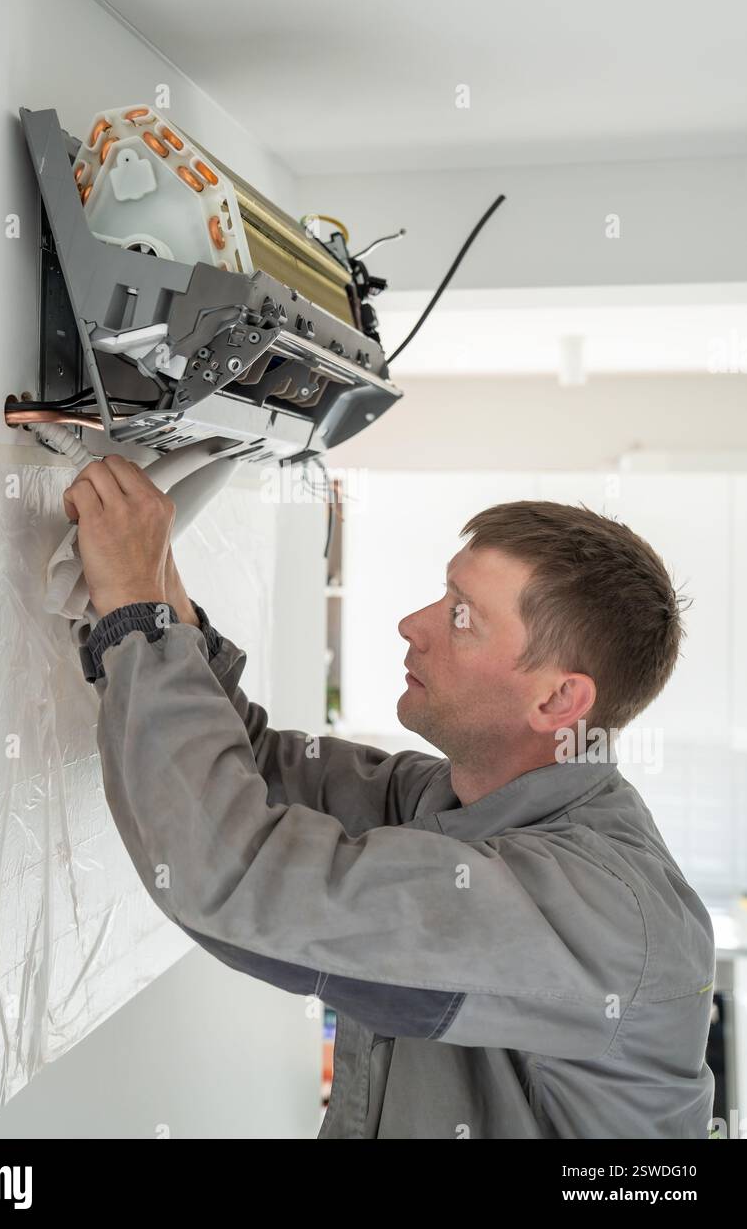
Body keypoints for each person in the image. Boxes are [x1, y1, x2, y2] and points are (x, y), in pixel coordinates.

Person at [64, 455, 716, 1140]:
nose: (413, 623)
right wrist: (163, 608)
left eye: (462, 617)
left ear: (557, 699)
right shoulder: (454, 800)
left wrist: (138, 621)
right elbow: (253, 768)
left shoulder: (602, 912)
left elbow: (234, 881)